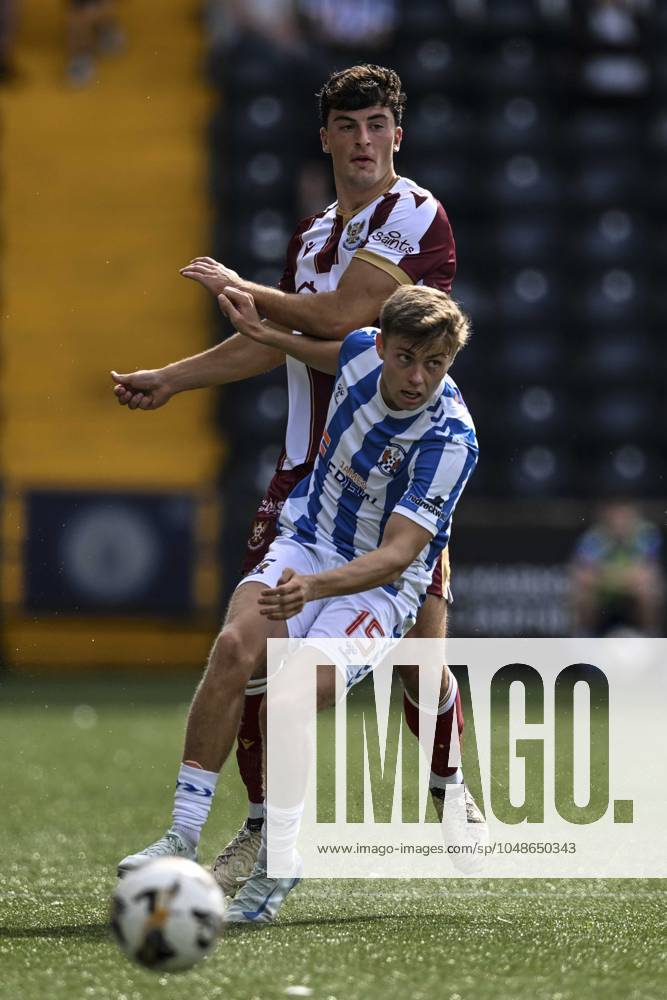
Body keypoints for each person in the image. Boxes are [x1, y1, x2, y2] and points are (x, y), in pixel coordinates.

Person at [112, 64, 482, 894]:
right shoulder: (313, 237)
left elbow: (338, 323)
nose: (362, 141)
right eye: (346, 126)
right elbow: (270, 338)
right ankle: (254, 829)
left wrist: (240, 289)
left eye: (376, 125)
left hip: (400, 465)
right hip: (307, 475)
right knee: (248, 652)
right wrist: (175, 376)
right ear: (324, 137)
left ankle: (447, 787)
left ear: (397, 134)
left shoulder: (411, 214)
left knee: (423, 662)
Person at [118, 283, 479, 923]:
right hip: (308, 539)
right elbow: (326, 352)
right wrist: (264, 336)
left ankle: (282, 860)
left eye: (435, 364)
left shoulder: (450, 440)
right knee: (234, 648)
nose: (417, 377)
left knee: (291, 696)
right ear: (385, 344)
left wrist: (312, 589)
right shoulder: (363, 349)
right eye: (406, 358)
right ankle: (181, 833)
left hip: (378, 586)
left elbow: (398, 557)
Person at [570, 501, 664, 637]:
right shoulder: (595, 537)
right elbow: (583, 575)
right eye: (616, 514)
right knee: (582, 594)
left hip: (631, 591)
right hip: (605, 592)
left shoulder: (646, 535)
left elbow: (646, 573)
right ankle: (583, 639)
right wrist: (619, 578)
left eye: (624, 514)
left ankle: (651, 636)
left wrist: (606, 575)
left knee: (648, 590)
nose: (620, 519)